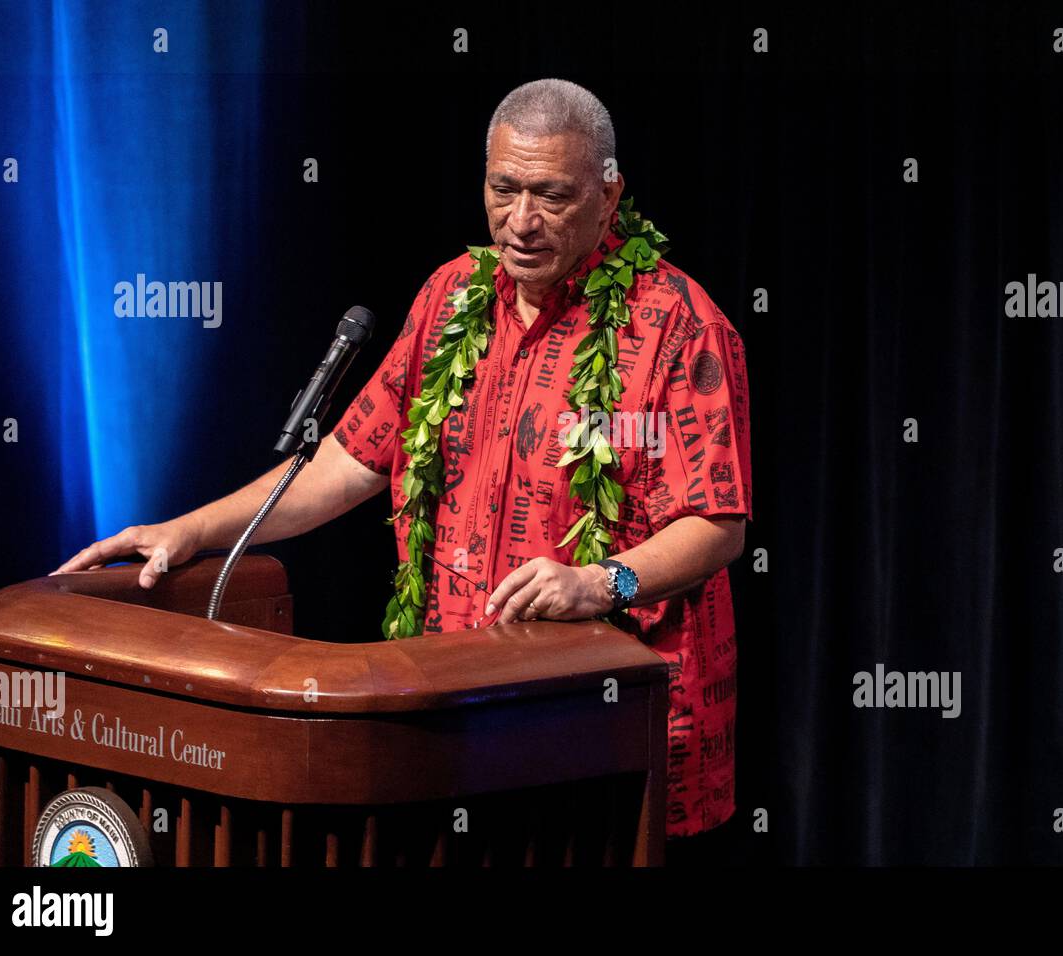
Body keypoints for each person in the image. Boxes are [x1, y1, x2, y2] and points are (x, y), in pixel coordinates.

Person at [54, 78, 753, 853]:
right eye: (503, 188)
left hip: (612, 720)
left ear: (609, 194)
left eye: (552, 196)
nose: (520, 222)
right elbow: (352, 461)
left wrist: (599, 580)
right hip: (458, 712)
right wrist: (192, 531)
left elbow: (717, 523)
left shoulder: (679, 327)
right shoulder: (451, 296)